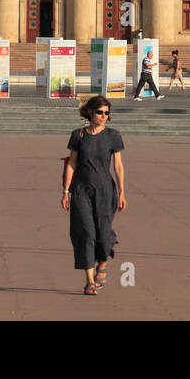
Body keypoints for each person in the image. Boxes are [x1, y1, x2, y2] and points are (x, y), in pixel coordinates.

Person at [62, 94, 125, 295]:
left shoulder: (113, 136)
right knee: (87, 233)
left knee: (104, 234)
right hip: (81, 190)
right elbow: (72, 164)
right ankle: (89, 281)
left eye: (107, 113)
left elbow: (118, 166)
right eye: (100, 112)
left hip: (105, 191)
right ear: (90, 112)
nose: (104, 116)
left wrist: (122, 192)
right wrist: (65, 191)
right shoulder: (78, 135)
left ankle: (103, 262)